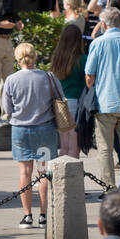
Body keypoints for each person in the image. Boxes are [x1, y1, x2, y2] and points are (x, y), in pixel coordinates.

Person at [2, 43, 57, 229]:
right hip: (44, 128)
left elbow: (7, 109)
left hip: (20, 129)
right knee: (43, 172)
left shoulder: (11, 80)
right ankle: (43, 215)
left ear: (18, 59)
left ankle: (27, 215)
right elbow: (60, 100)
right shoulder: (48, 77)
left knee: (24, 172)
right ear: (34, 57)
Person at [85, 7, 120, 189]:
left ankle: (109, 187)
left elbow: (89, 76)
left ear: (103, 24)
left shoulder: (97, 43)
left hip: (105, 102)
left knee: (105, 149)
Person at [49, 23, 86, 157]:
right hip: (75, 102)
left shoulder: (56, 59)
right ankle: (72, 177)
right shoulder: (83, 60)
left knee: (64, 146)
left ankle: (61, 175)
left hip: (59, 103)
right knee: (74, 146)